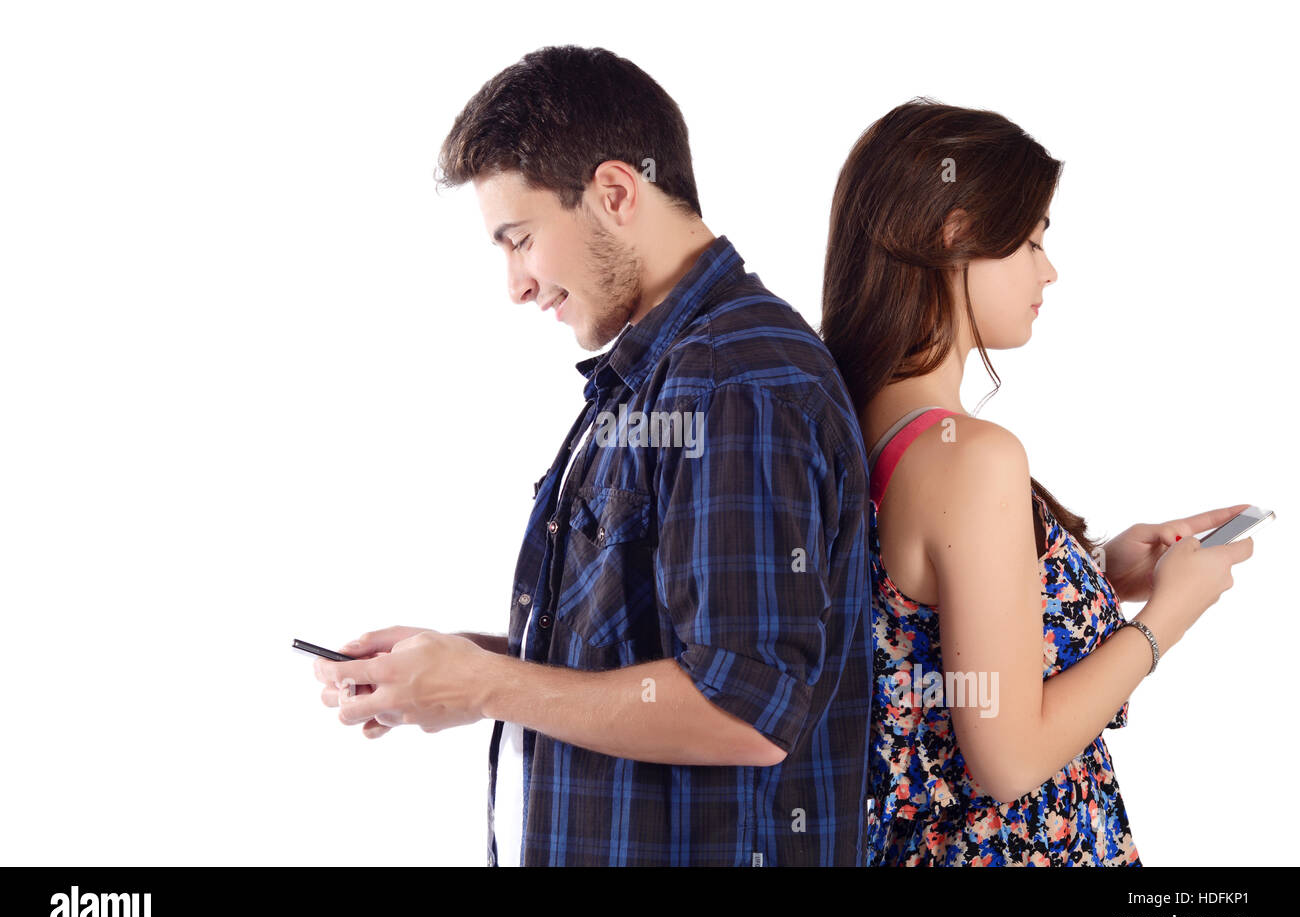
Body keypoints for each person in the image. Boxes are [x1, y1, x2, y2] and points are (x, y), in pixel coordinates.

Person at [313, 45, 873, 866]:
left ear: (615, 191)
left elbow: (744, 710)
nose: (515, 284)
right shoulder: (663, 373)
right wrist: (456, 670)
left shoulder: (732, 384)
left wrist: (487, 686)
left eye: (519, 238)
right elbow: (647, 655)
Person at [819, 98, 1254, 865]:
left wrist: (1095, 573)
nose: (1047, 269)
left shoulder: (862, 433)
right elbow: (1011, 758)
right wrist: (1167, 619)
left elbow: (927, 632)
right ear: (956, 234)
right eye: (1029, 240)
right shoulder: (972, 457)